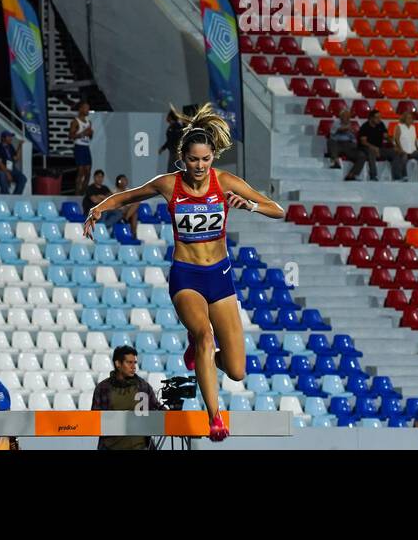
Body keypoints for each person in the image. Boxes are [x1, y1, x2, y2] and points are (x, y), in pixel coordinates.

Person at [83, 104, 285, 442]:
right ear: (183, 158)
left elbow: (277, 210)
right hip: (187, 277)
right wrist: (97, 208)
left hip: (220, 278)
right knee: (205, 335)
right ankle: (215, 417)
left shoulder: (225, 182)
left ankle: (199, 353)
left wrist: (248, 205)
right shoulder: (168, 184)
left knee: (236, 369)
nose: (201, 166)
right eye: (194, 160)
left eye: (206, 159)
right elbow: (128, 196)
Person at [90, 345, 165, 450]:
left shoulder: (143, 386)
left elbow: (156, 408)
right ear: (118, 364)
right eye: (129, 362)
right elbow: (95, 420)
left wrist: (172, 414)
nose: (134, 367)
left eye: (134, 363)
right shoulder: (103, 389)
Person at [325, 110, 366, 179]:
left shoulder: (351, 126)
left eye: (348, 117)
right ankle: (336, 162)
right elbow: (336, 131)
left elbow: (354, 139)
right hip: (337, 144)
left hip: (348, 145)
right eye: (345, 116)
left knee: (362, 155)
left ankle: (351, 174)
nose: (347, 118)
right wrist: (346, 128)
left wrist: (352, 133)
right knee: (330, 141)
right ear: (340, 117)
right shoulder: (336, 123)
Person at [390, 109, 418, 181]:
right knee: (403, 157)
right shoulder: (399, 126)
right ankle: (404, 176)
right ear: (404, 119)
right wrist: (400, 149)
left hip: (413, 150)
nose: (410, 120)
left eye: (411, 118)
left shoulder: (413, 128)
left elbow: (415, 140)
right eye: (408, 118)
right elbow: (396, 139)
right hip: (403, 150)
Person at [356, 108, 392, 181]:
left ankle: (397, 175)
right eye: (377, 117)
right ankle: (373, 175)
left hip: (379, 148)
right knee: (371, 152)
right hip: (365, 148)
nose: (379, 119)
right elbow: (363, 142)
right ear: (371, 118)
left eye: (380, 117)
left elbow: (386, 136)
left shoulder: (381, 124)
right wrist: (374, 148)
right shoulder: (365, 126)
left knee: (394, 152)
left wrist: (390, 138)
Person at [68, 99, 94, 194]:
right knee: (81, 171)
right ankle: (77, 193)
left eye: (88, 108)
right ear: (81, 109)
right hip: (79, 147)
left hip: (86, 147)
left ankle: (83, 193)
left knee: (88, 172)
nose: (88, 110)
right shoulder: (75, 121)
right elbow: (70, 136)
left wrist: (90, 134)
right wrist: (83, 133)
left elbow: (89, 137)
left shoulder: (89, 122)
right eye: (86, 108)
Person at [0, 130, 27, 195]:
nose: (11, 138)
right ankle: (5, 194)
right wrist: (7, 173)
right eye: (9, 137)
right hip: (0, 168)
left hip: (10, 167)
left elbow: (16, 158)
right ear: (3, 138)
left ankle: (16, 196)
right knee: (2, 175)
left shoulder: (10, 147)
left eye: (11, 137)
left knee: (23, 178)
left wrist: (20, 146)